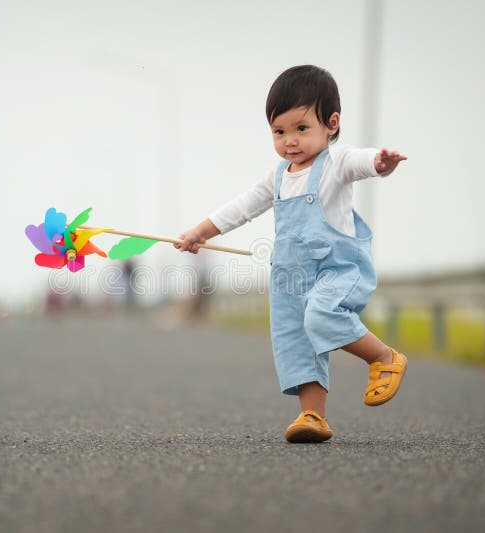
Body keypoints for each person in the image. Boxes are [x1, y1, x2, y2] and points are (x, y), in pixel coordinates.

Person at [175, 65, 408, 443]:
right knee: (295, 341)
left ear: (331, 124)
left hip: (335, 270)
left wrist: (378, 164)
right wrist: (201, 231)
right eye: (279, 132)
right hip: (289, 278)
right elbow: (244, 205)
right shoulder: (279, 175)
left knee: (321, 315)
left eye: (301, 128)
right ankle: (312, 415)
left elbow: (358, 161)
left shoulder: (334, 163)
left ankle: (383, 357)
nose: (290, 141)